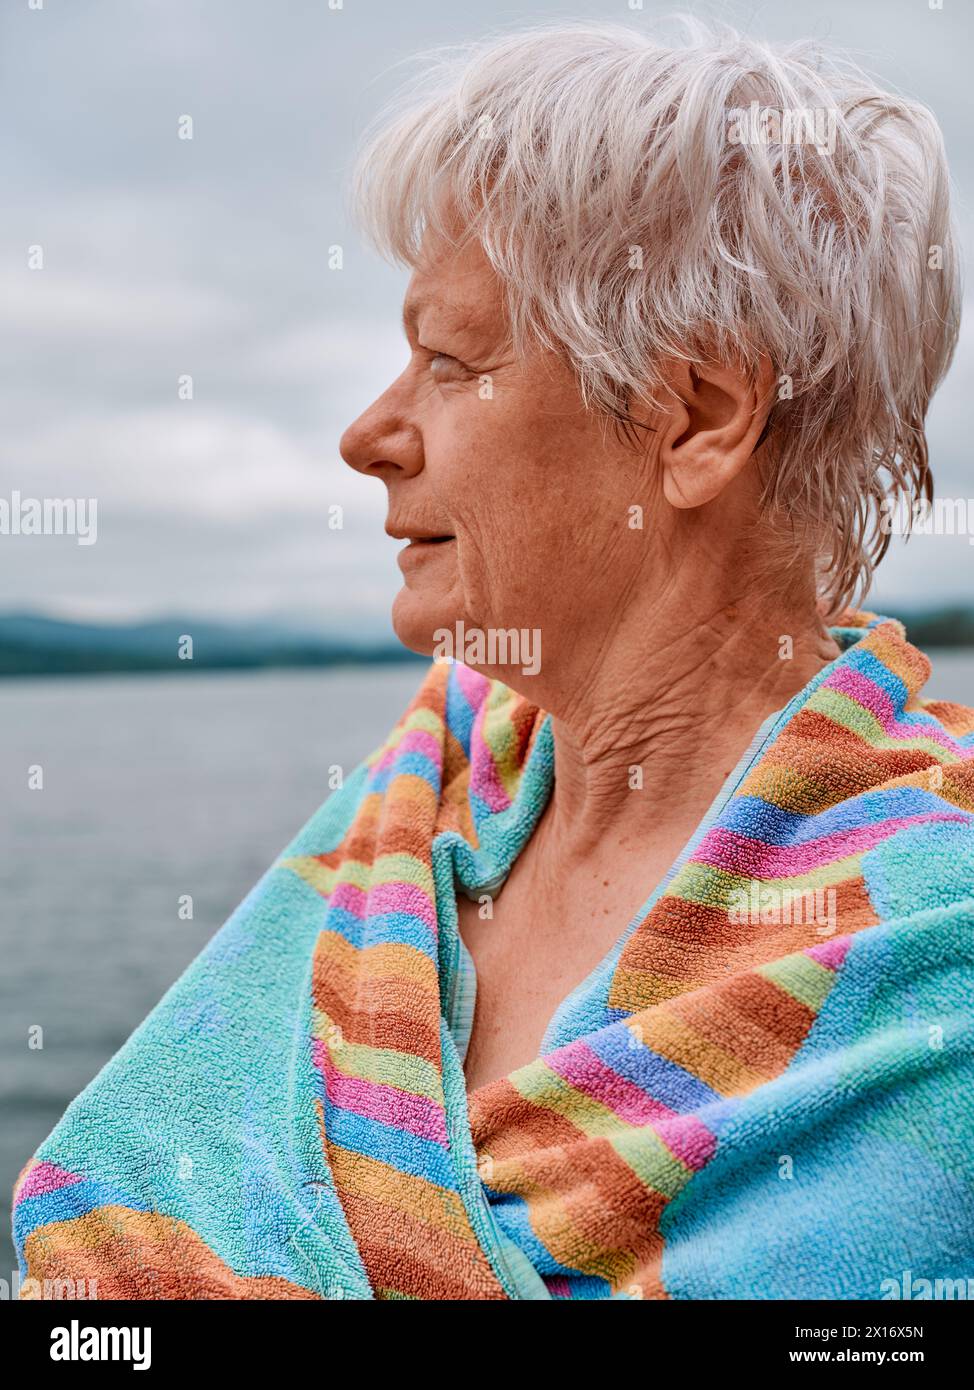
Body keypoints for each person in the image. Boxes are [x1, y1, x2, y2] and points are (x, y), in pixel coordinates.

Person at [14, 21, 974, 1301]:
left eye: (451, 362)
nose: (368, 434)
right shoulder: (428, 792)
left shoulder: (936, 937)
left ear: (695, 417)